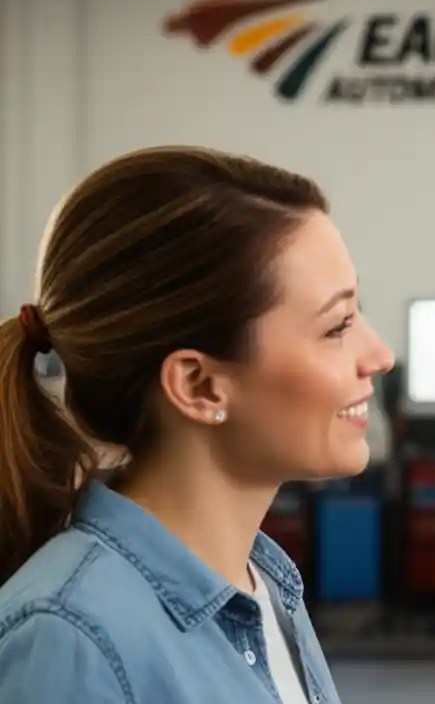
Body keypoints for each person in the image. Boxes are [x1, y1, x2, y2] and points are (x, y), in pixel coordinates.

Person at [0, 145, 394, 702]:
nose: (380, 354)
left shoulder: (263, 583)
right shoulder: (71, 641)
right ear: (198, 386)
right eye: (338, 326)